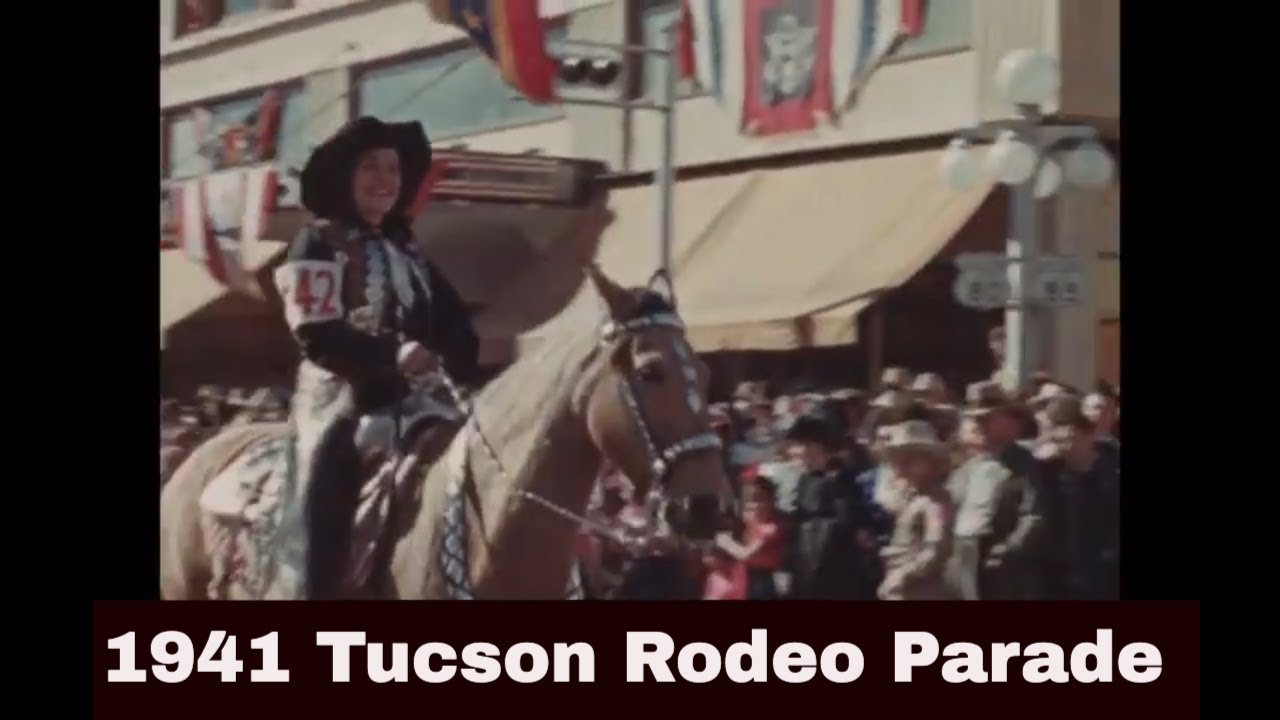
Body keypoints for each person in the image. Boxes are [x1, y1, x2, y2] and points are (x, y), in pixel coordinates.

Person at [276, 116, 479, 599]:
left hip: (416, 400)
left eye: (392, 169)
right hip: (341, 396)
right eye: (371, 167)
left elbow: (456, 326)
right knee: (325, 480)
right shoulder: (317, 241)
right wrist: (393, 353)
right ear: (345, 175)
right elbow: (316, 333)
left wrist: (451, 363)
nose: (385, 180)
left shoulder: (409, 251)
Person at [946, 382, 1045, 600]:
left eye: (986, 418)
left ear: (1012, 422)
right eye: (976, 419)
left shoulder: (1026, 465)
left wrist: (1010, 549)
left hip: (1000, 566)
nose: (979, 424)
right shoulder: (967, 468)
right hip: (963, 559)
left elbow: (1034, 515)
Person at [785, 412, 877, 600]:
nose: (797, 451)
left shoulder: (842, 477)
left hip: (835, 561)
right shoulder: (805, 479)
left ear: (817, 446)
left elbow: (851, 519)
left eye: (803, 445)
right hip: (806, 556)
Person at [878, 420, 955, 600]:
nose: (902, 465)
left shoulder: (936, 502)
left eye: (911, 459)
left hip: (922, 590)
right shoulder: (910, 498)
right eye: (899, 458)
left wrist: (903, 575)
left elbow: (935, 551)